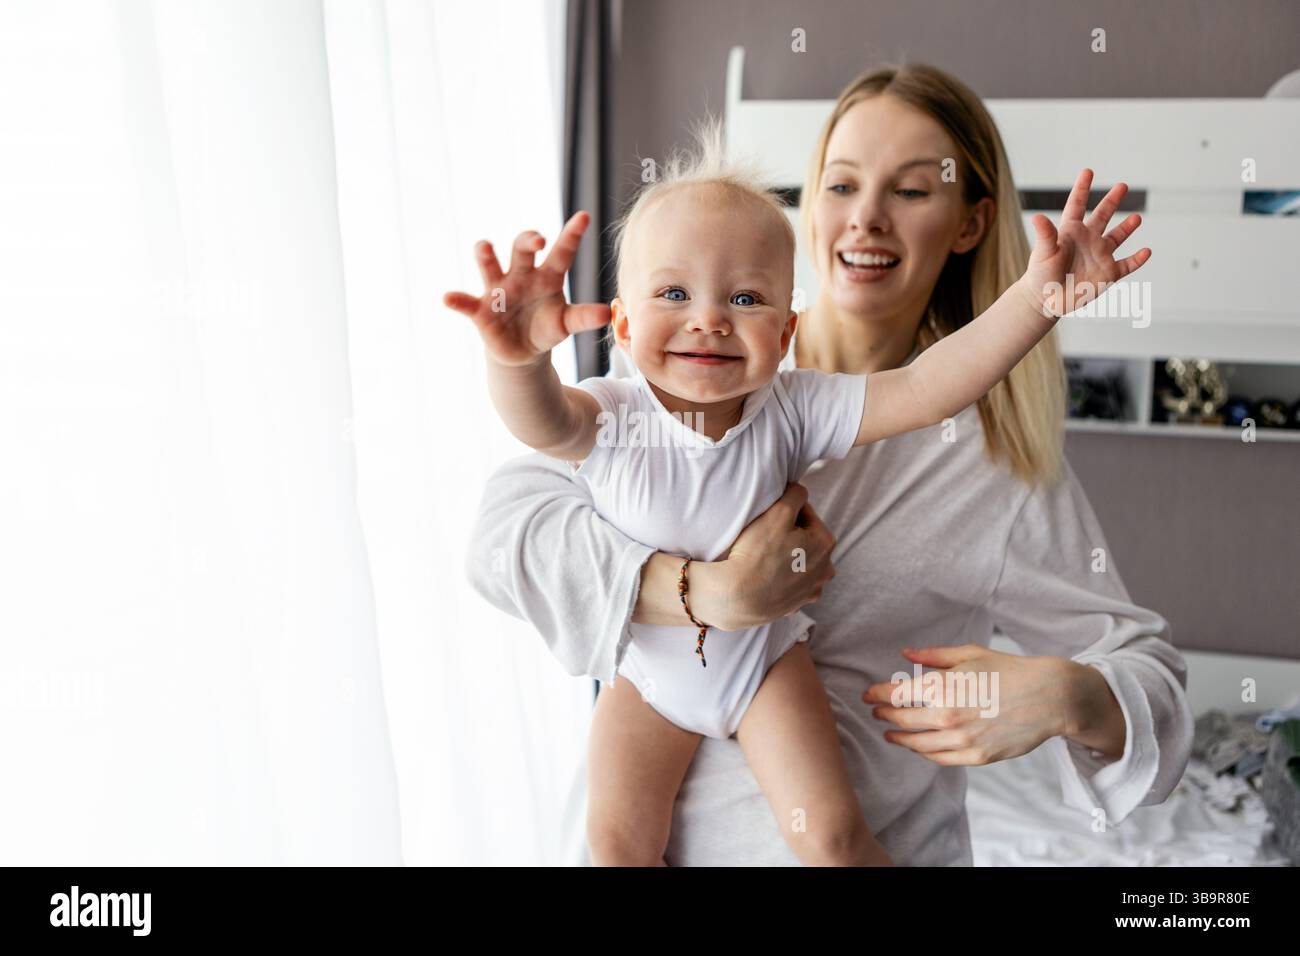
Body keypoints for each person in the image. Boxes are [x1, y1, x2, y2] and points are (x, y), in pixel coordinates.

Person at [463, 63, 1194, 866]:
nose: (867, 220)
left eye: (913, 191)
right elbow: (502, 542)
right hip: (653, 694)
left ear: (971, 224)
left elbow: (927, 389)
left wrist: (1067, 694)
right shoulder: (645, 395)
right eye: (842, 185)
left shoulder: (960, 453)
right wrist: (705, 590)